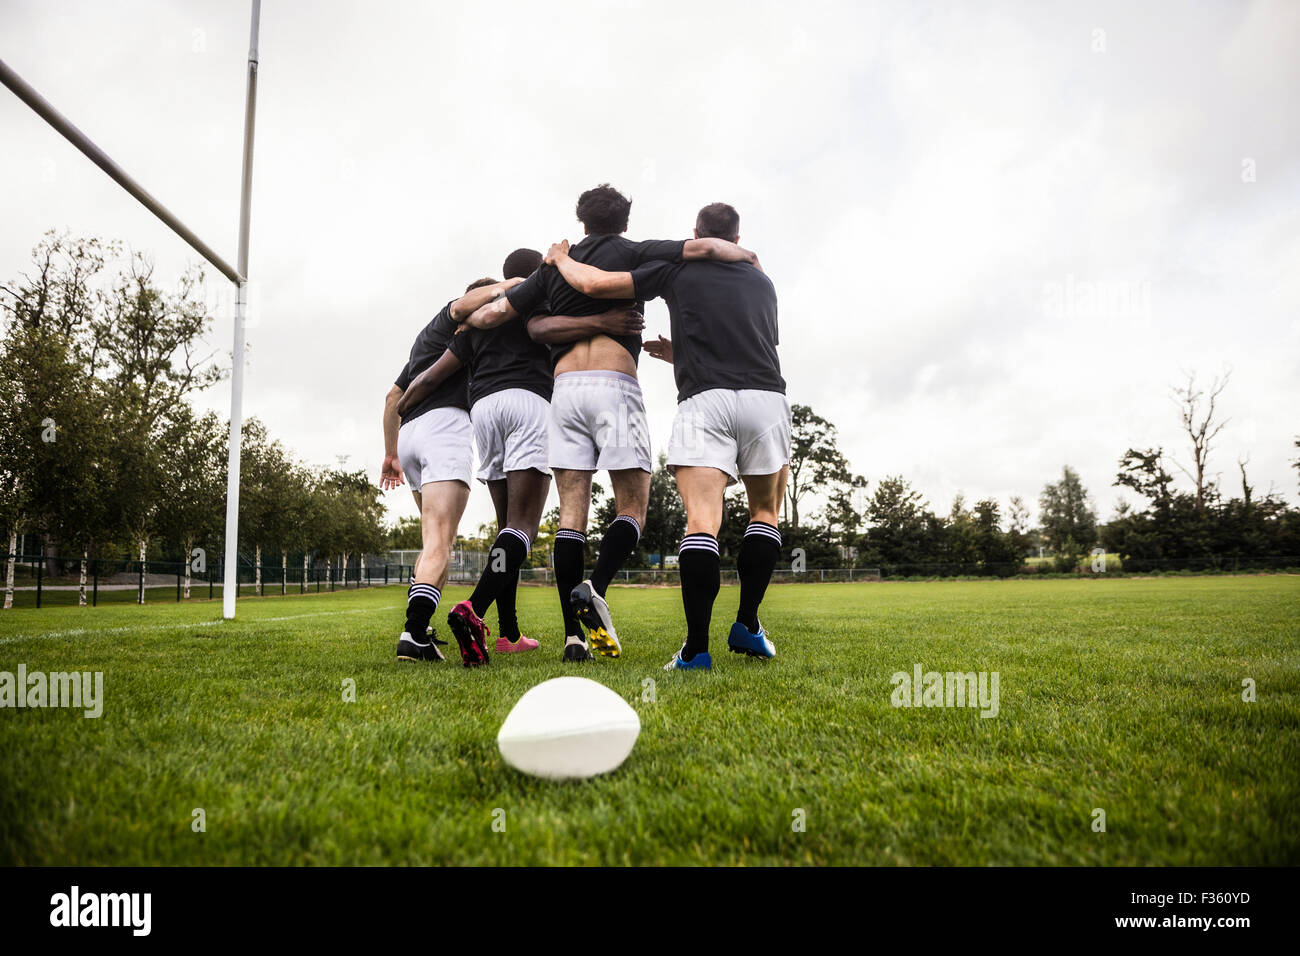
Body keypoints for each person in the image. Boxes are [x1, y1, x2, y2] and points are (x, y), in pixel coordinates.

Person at [459, 184, 758, 664]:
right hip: (614, 386)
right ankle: (593, 590)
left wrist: (464, 320)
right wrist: (746, 255)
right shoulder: (634, 250)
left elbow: (506, 316)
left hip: (564, 393)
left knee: (570, 517)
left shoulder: (555, 266)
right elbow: (703, 248)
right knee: (632, 509)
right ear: (624, 220)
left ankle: (573, 639)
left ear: (582, 220)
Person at [543, 202, 787, 671]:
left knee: (701, 524)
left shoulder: (677, 270)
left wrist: (560, 258)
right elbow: (747, 345)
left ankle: (696, 650)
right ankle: (748, 624)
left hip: (703, 402)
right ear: (736, 242)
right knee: (764, 513)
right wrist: (684, 353)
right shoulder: (762, 280)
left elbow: (593, 283)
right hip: (765, 400)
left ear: (697, 235)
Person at [398, 247, 644, 666]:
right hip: (530, 402)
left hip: (485, 412)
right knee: (526, 526)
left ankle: (508, 631)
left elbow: (432, 375)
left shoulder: (481, 320)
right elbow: (551, 333)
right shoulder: (541, 303)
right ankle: (489, 614)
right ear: (540, 274)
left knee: (507, 530)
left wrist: (406, 404)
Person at [382, 276, 518, 662]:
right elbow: (462, 306)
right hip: (446, 429)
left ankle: (421, 630)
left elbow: (393, 395)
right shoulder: (458, 320)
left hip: (409, 434)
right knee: (439, 542)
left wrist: (391, 453)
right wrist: (509, 286)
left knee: (436, 543)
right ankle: (412, 634)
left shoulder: (425, 339)